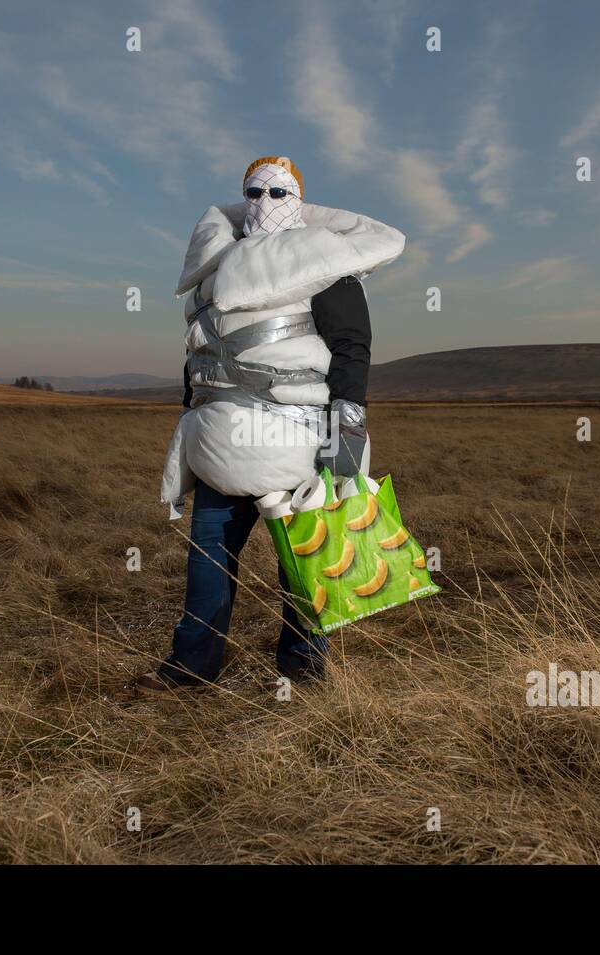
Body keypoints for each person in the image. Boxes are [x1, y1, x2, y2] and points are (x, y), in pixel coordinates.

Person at [140, 156, 405, 692]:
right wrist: (195, 406)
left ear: (299, 201)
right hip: (223, 442)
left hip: (297, 442)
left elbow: (352, 348)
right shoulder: (215, 273)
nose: (264, 202)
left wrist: (346, 430)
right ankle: (192, 666)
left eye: (279, 193)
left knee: (306, 559)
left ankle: (304, 669)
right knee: (208, 559)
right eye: (254, 192)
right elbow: (203, 347)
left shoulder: (327, 267)